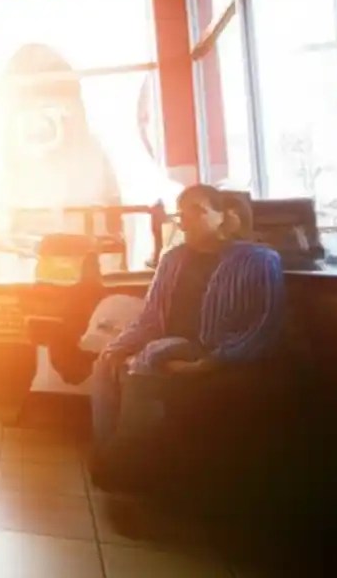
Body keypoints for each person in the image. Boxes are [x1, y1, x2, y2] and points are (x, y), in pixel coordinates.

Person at [89, 184, 284, 481]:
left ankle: (123, 465)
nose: (187, 220)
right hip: (171, 346)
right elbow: (151, 317)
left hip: (215, 350)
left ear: (224, 217)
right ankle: (111, 451)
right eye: (183, 213)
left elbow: (263, 326)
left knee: (142, 377)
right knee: (105, 364)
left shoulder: (258, 260)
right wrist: (118, 346)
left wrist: (214, 360)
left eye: (199, 210)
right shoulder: (173, 259)